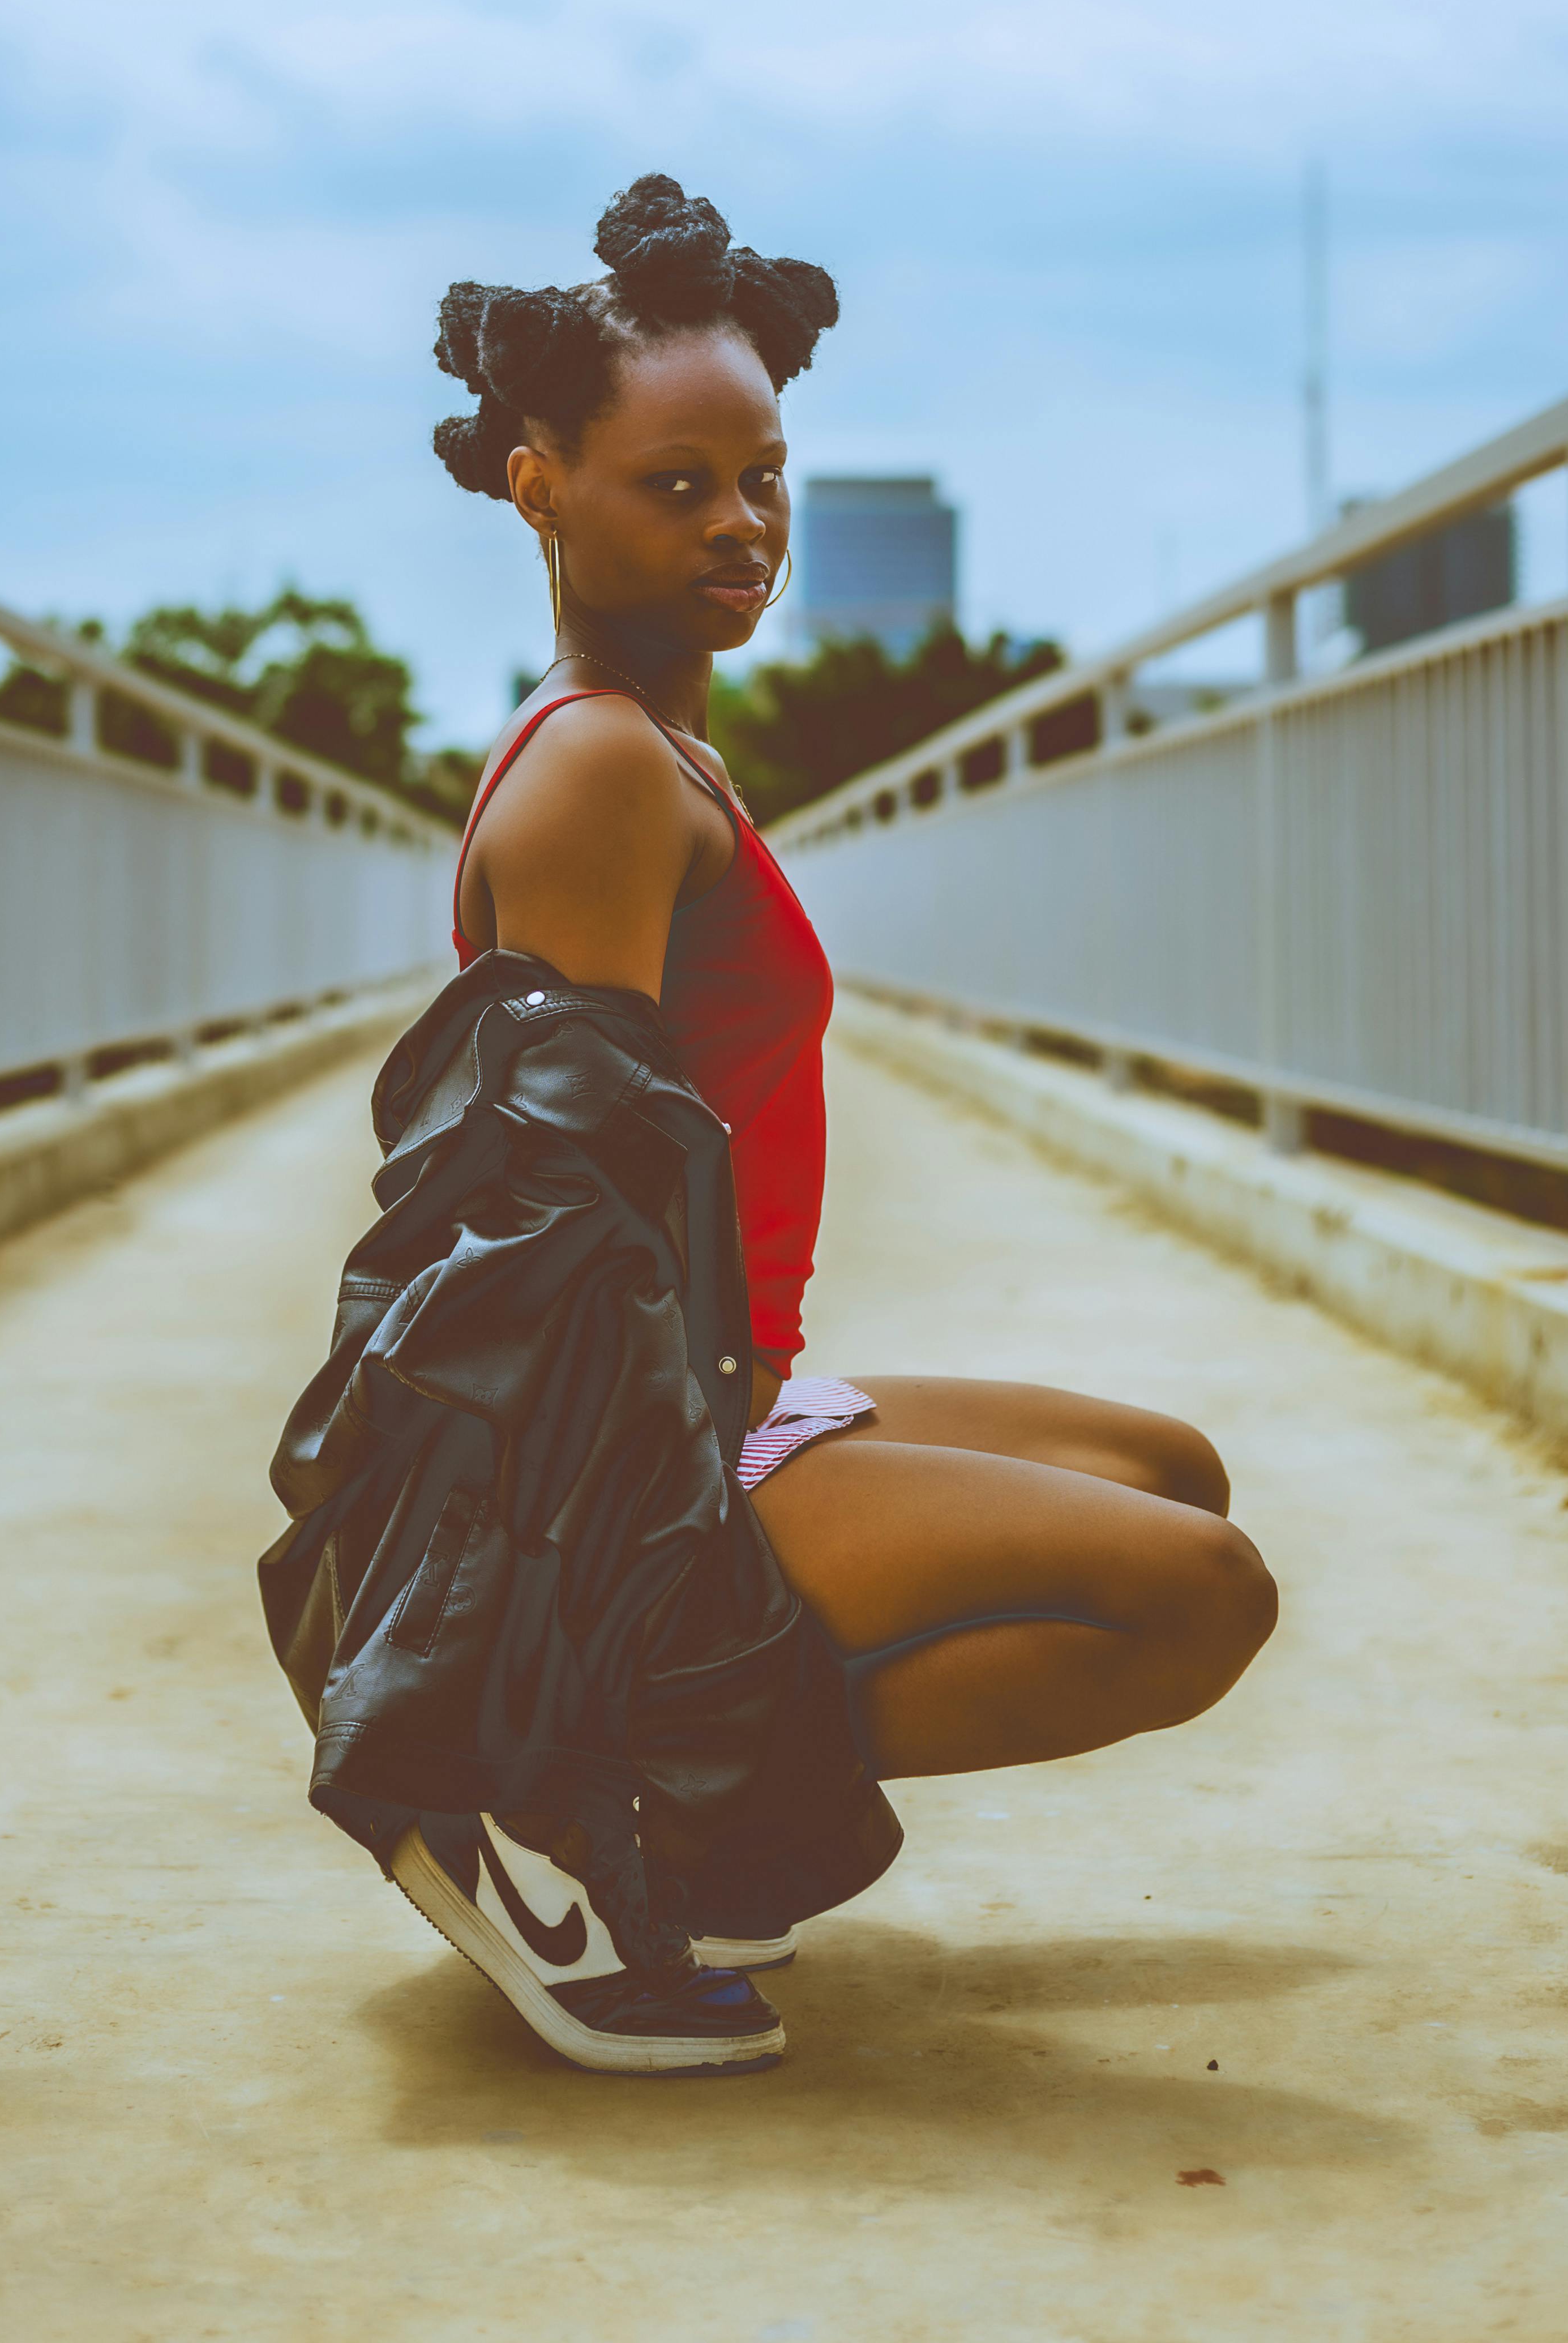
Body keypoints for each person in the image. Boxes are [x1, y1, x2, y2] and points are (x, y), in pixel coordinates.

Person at [263, 175, 1276, 2080]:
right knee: (1199, 1596)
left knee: (1175, 1473)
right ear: (537, 480)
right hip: (654, 1426)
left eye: (764, 476)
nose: (740, 525)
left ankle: (702, 1813)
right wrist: (595, 1571)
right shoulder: (595, 773)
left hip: (737, 1369)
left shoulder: (661, 744)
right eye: (676, 484)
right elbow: (549, 1224)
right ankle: (590, 1784)